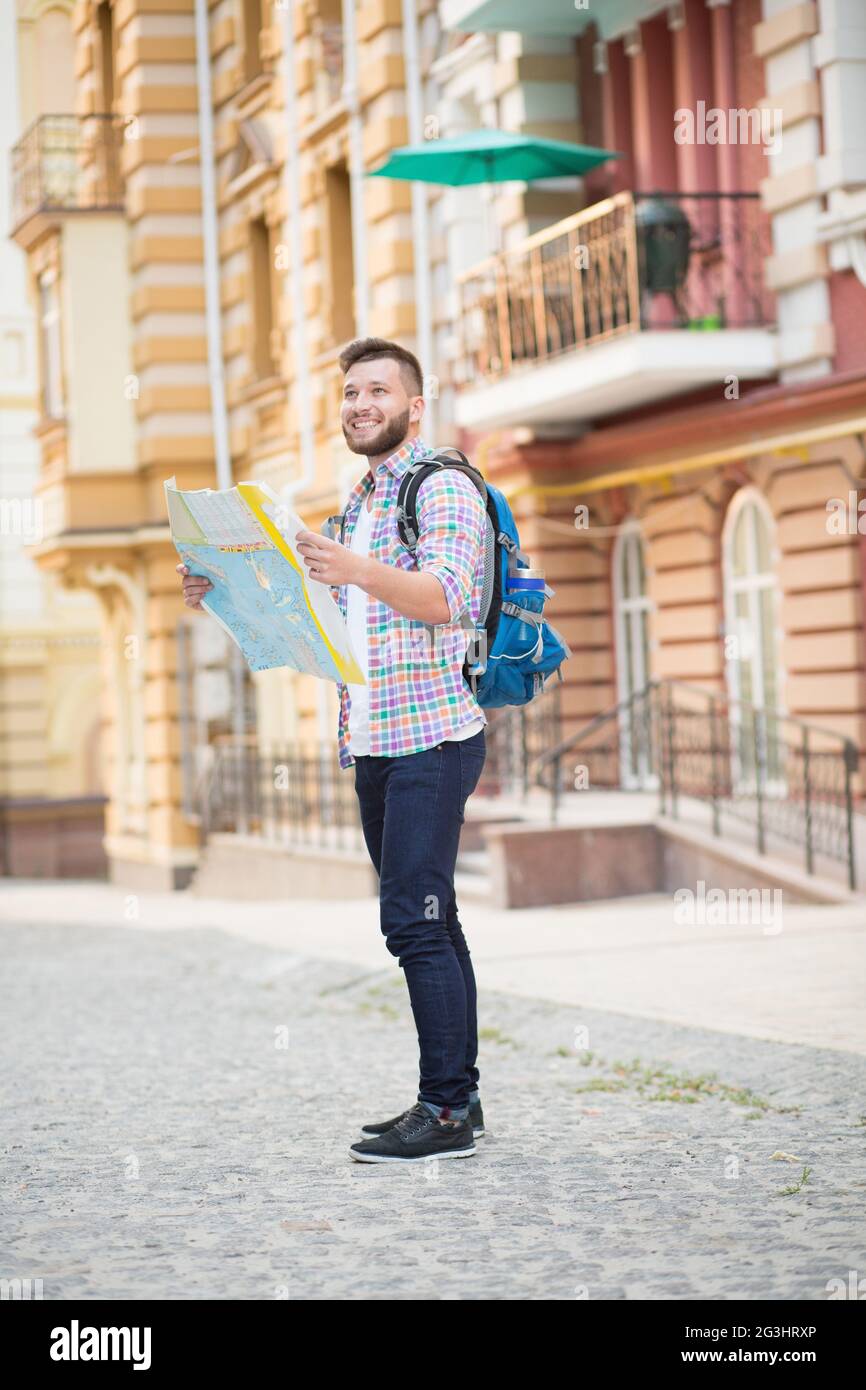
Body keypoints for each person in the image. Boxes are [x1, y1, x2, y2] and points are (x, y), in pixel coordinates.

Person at [178, 336, 489, 1164]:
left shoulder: (442, 487)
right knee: (434, 921)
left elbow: (449, 598)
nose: (359, 405)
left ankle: (447, 1111)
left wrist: (354, 568)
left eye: (377, 392)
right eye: (350, 392)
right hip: (377, 739)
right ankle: (459, 1098)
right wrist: (223, 590)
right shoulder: (355, 504)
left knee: (413, 924)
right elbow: (306, 607)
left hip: (433, 733)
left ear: (413, 407)